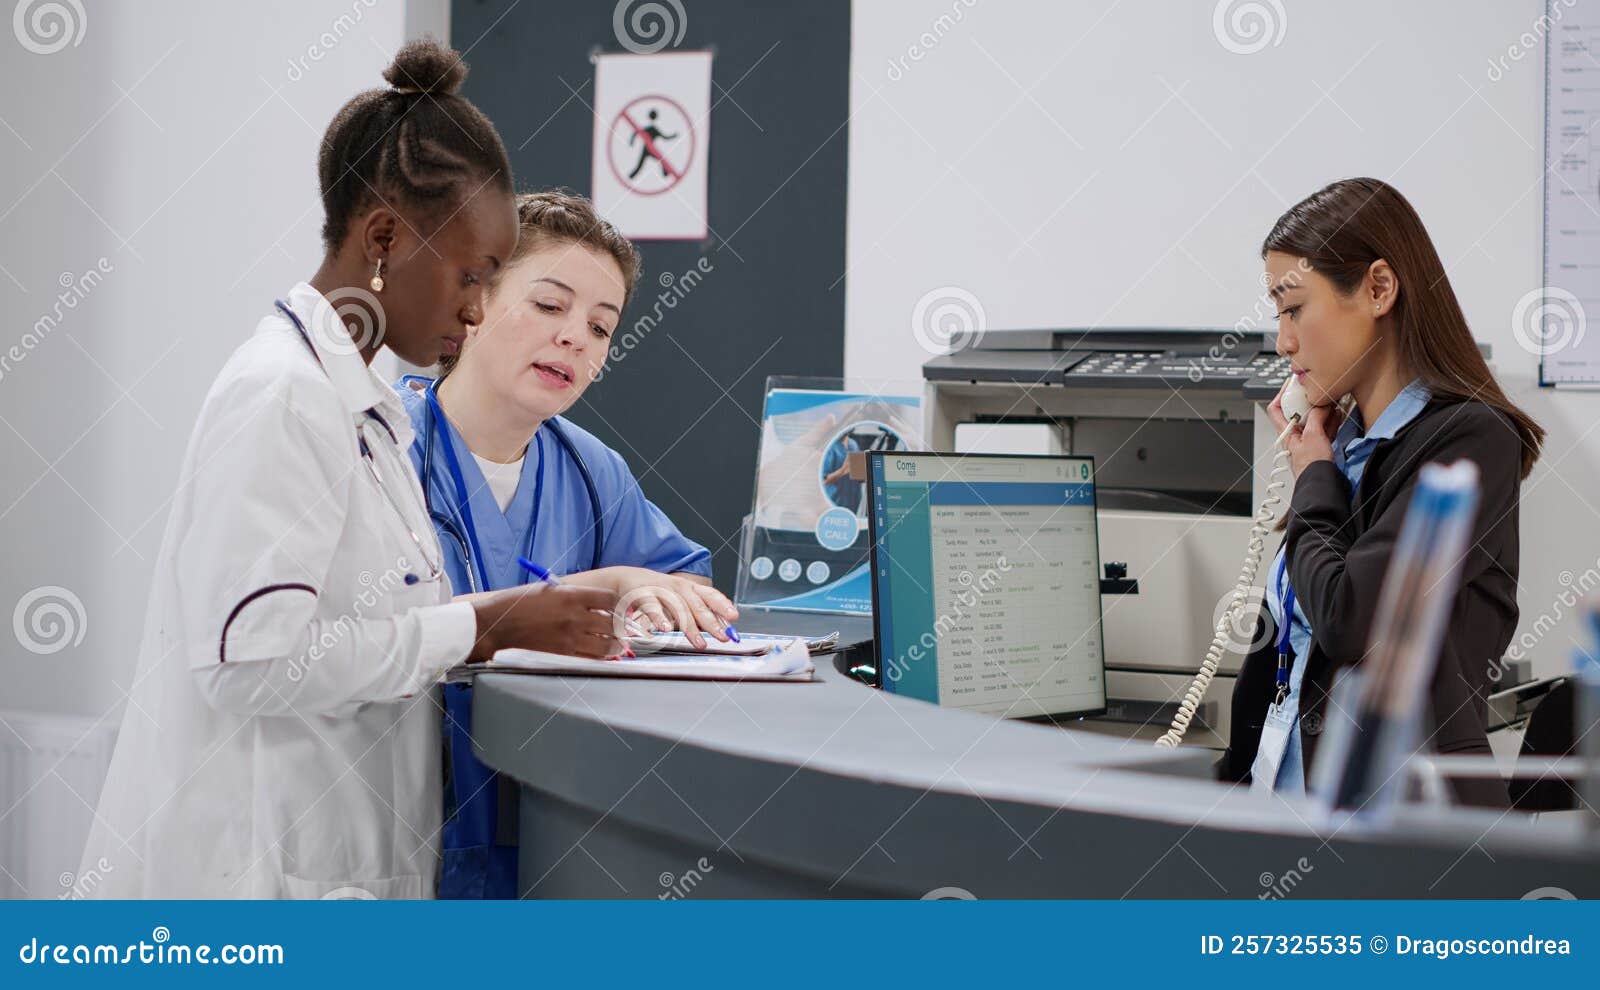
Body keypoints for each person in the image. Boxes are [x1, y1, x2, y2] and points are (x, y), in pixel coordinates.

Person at [78, 41, 620, 899]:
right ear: (384, 239)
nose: (477, 308)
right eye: (471, 274)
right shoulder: (282, 396)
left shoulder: (364, 410)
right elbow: (246, 663)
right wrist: (481, 626)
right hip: (256, 886)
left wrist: (496, 626)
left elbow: (371, 635)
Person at [395, 189, 738, 898]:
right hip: (398, 824)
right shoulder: (384, 450)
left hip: (548, 831)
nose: (576, 337)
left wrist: (647, 603)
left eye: (601, 326)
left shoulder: (590, 470)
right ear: (473, 301)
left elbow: (687, 586)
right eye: (550, 305)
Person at [1221, 177, 1545, 808]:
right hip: (1279, 816)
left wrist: (1314, 476)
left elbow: (1352, 622)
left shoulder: (1471, 440)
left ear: (1378, 289)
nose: (1283, 341)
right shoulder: (1344, 452)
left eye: (1293, 308)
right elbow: (1288, 661)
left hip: (1399, 831)